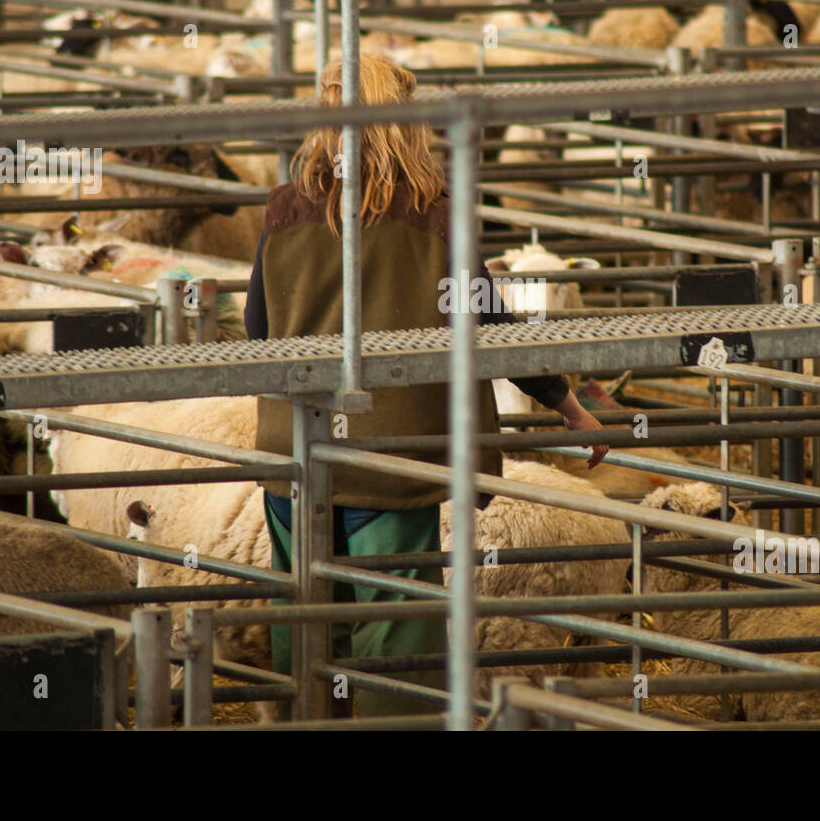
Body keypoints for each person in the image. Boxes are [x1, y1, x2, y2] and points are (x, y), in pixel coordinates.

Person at [244, 51, 609, 717]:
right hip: (393, 461)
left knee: (304, 616)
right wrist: (566, 400)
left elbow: (256, 327)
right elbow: (489, 324)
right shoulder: (440, 220)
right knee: (395, 629)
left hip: (295, 453)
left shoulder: (282, 210)